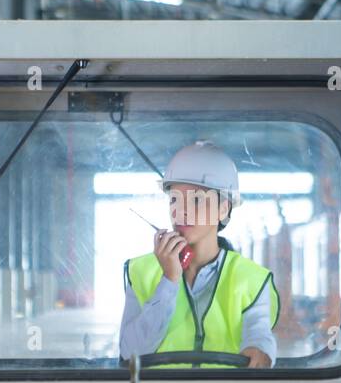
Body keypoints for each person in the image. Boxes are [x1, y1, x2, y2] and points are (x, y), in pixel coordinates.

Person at [119, 141, 279, 368]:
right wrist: (169, 280)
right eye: (174, 199)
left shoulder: (252, 279)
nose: (180, 211)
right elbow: (130, 353)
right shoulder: (141, 272)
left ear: (224, 208)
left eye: (196, 200)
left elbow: (259, 335)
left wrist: (259, 351)